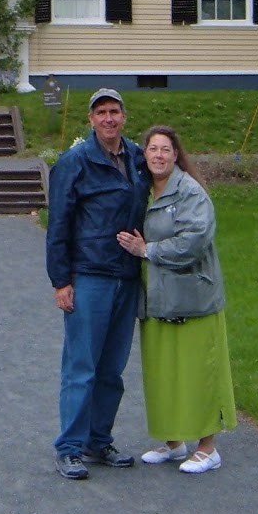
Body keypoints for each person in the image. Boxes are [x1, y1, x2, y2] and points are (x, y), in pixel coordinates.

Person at [116, 125, 237, 474]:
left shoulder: (191, 192)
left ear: (176, 154)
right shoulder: (143, 191)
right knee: (163, 371)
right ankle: (172, 441)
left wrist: (147, 250)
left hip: (192, 298)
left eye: (165, 149)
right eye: (152, 149)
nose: (158, 155)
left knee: (198, 371)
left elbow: (193, 241)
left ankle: (208, 447)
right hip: (157, 299)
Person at [45, 87, 147, 480]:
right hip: (89, 276)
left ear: (124, 116)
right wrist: (61, 281)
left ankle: (98, 440)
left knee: (112, 369)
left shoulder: (136, 158)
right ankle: (69, 447)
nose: (109, 119)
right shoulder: (75, 163)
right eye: (101, 112)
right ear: (91, 120)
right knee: (81, 367)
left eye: (115, 112)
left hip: (126, 275)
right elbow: (58, 227)